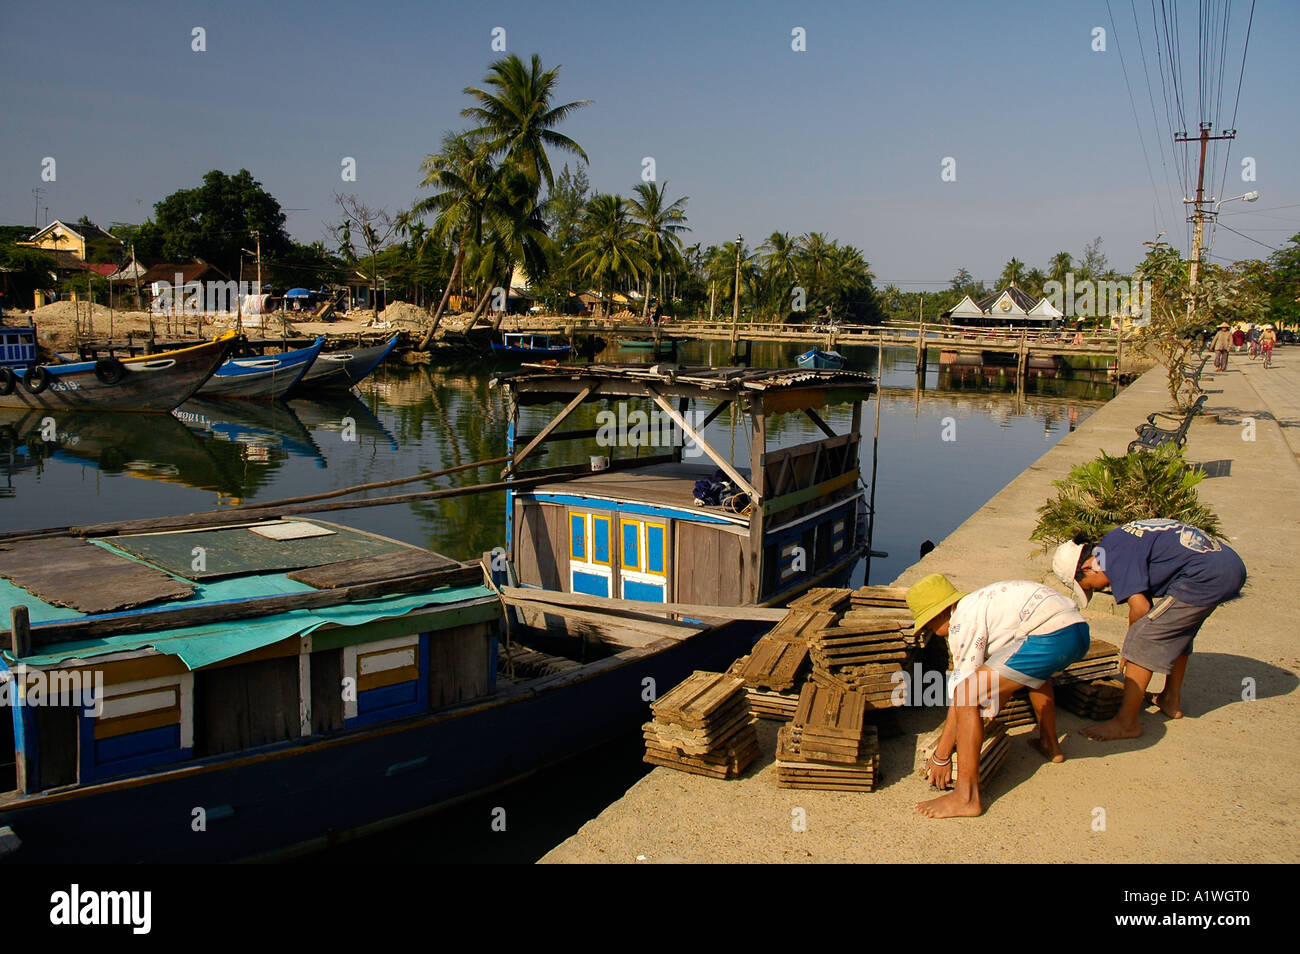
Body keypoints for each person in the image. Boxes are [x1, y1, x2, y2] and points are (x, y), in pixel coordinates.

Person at [905, 574, 1090, 819]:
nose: (931, 632)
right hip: (1076, 631)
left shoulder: (962, 620)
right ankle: (1050, 745)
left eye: (928, 625)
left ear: (941, 612)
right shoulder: (980, 603)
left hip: (1051, 636)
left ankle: (966, 798)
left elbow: (964, 693)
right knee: (1037, 677)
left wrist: (941, 755)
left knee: (966, 694)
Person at [1053, 519, 1246, 741]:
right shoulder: (1115, 543)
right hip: (1226, 565)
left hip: (1205, 576)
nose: (1102, 590)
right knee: (1175, 630)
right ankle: (1170, 700)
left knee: (1142, 638)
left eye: (1091, 587)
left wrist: (1131, 647)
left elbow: (1141, 608)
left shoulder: (1111, 557)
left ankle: (1126, 724)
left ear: (1088, 567)